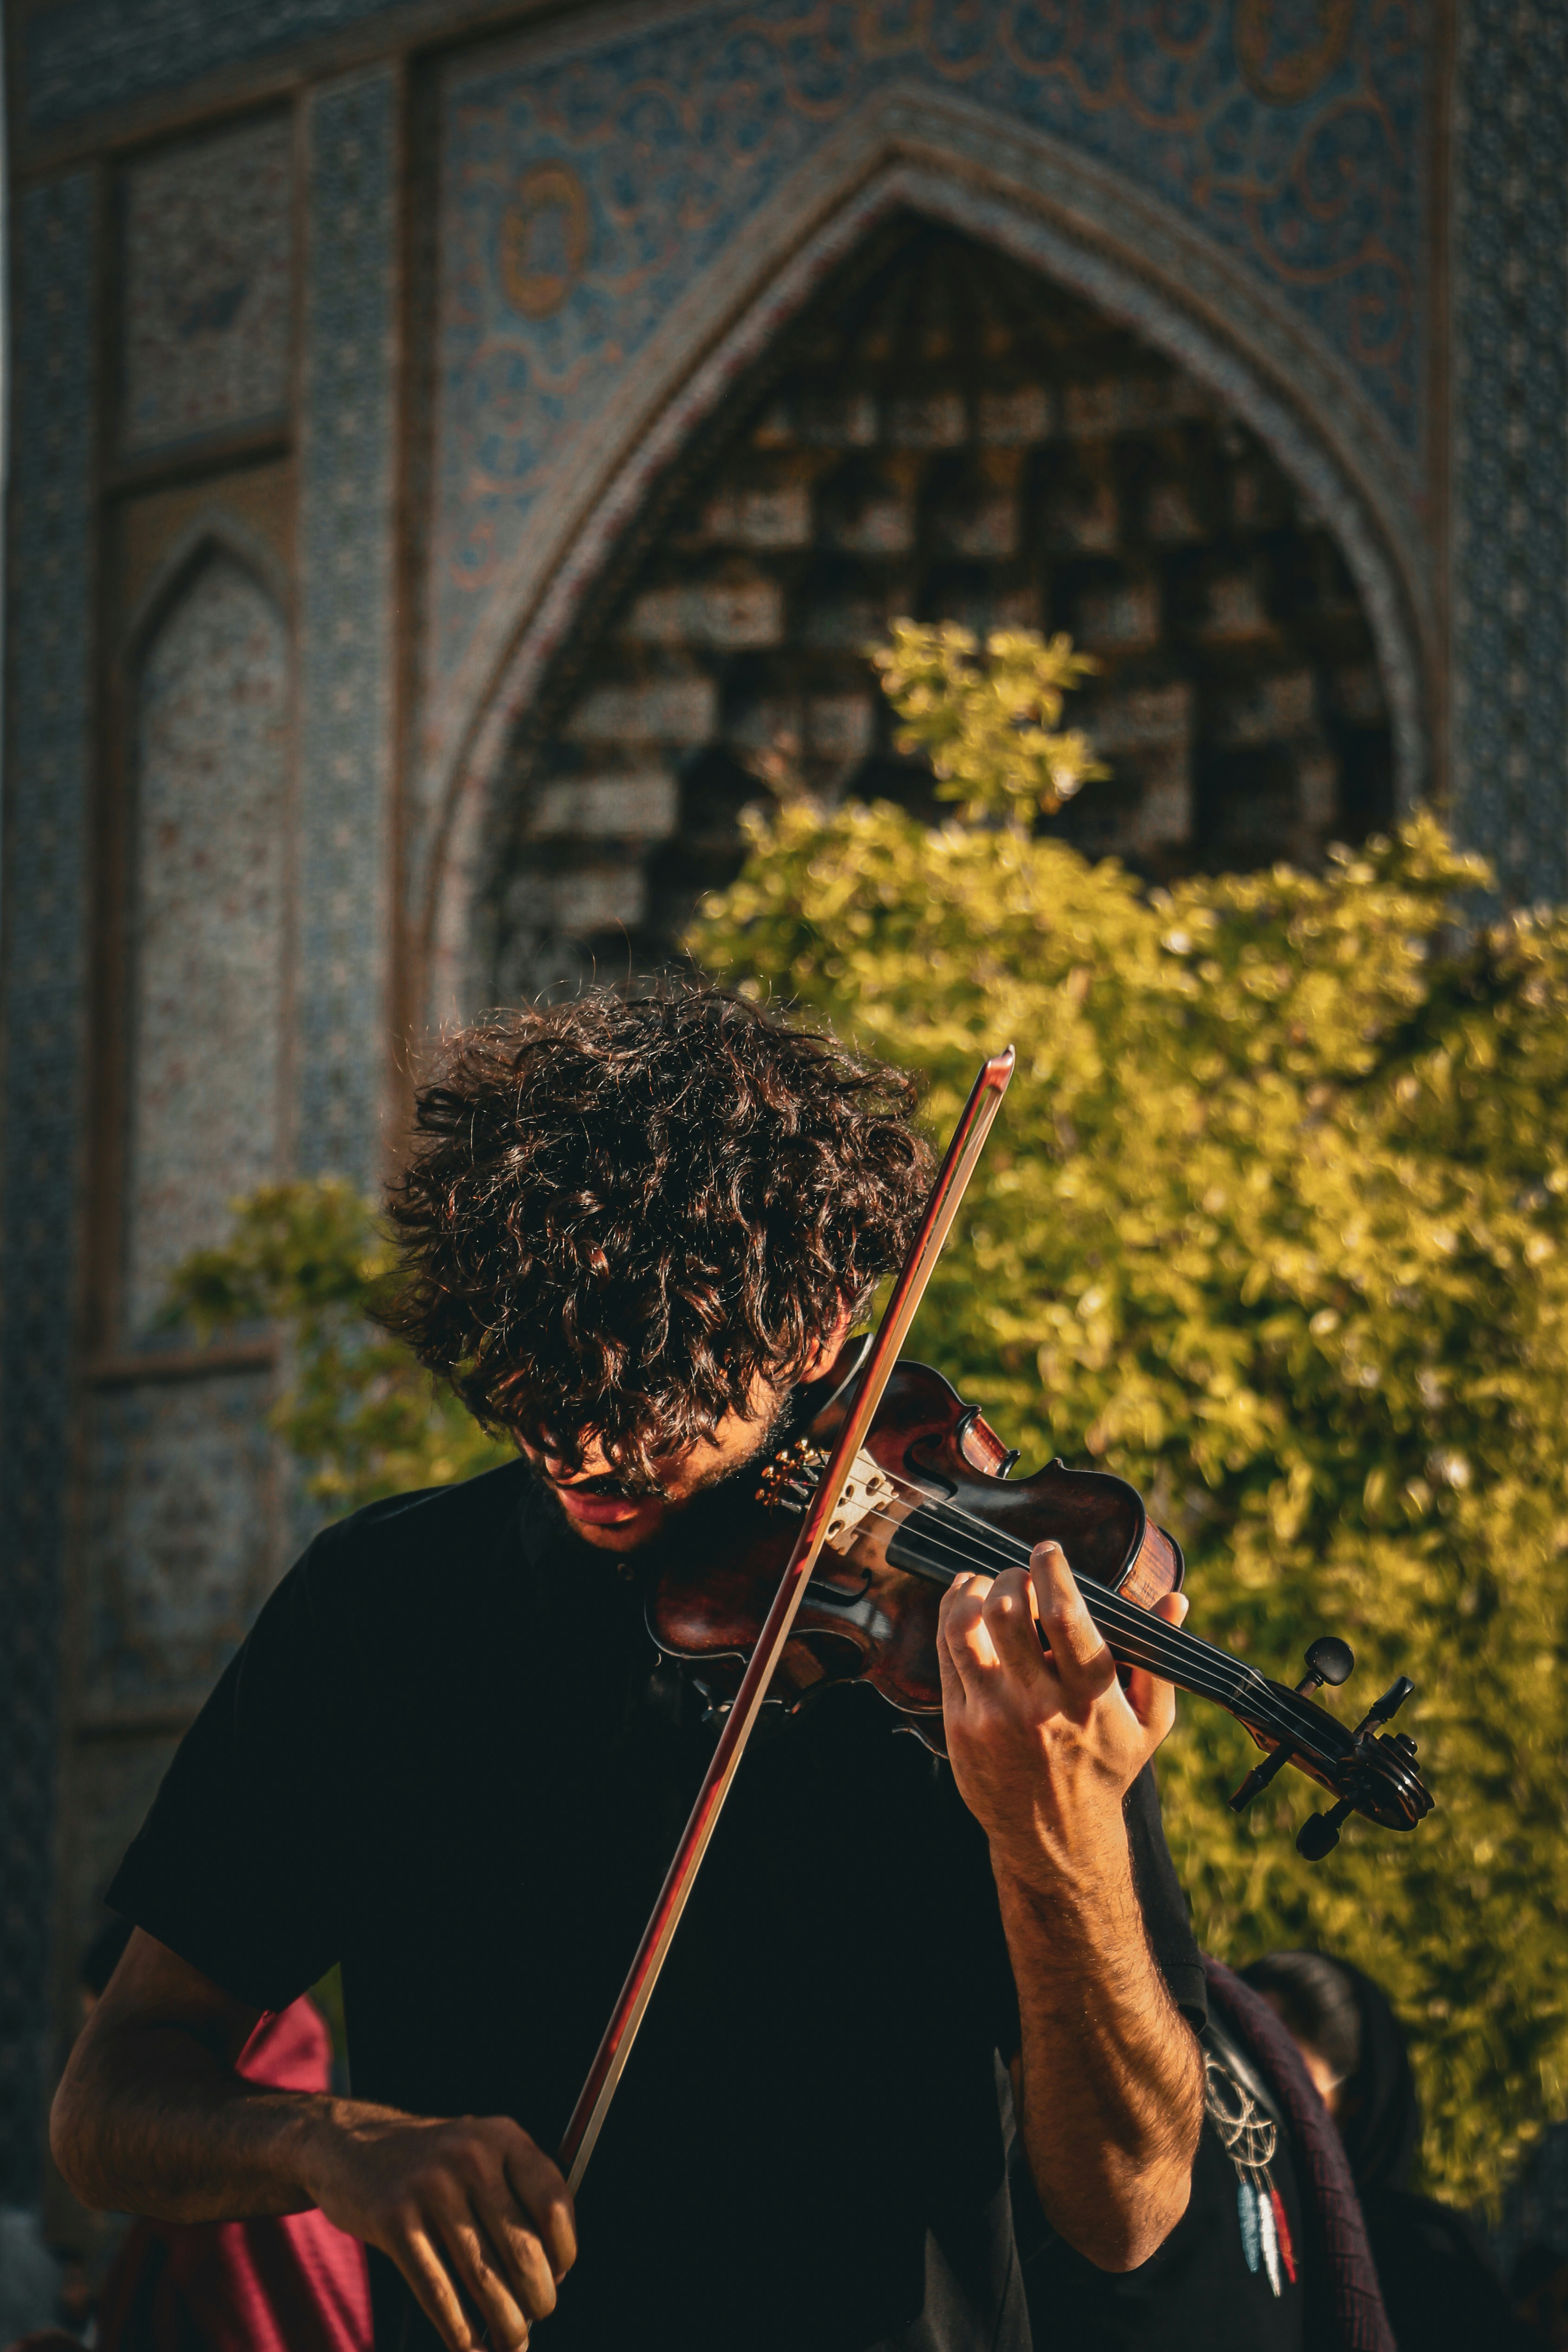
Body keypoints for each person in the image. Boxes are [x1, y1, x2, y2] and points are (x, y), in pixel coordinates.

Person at [50, 988, 1207, 2352]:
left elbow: (1129, 2207)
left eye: (659, 1392)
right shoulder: (379, 1608)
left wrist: (1055, 1839)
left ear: (826, 1322)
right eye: (538, 1382)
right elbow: (108, 2103)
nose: (585, 1447)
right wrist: (327, 2143)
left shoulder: (980, 1662)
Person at [1240, 1950, 1528, 2352]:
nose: (1243, 2103)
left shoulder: (1425, 2266)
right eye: (1234, 2070)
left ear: (1354, 2099)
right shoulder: (1215, 2209)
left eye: (1275, 2078)